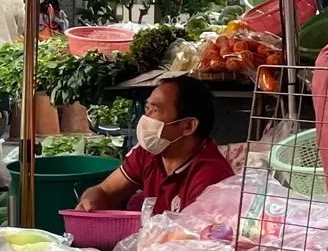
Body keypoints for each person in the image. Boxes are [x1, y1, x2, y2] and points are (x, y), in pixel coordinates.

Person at [76, 76, 233, 214]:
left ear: (188, 126)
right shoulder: (149, 153)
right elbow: (105, 190)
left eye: (155, 110)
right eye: (147, 108)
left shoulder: (212, 179)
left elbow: (192, 241)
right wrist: (90, 200)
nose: (145, 118)